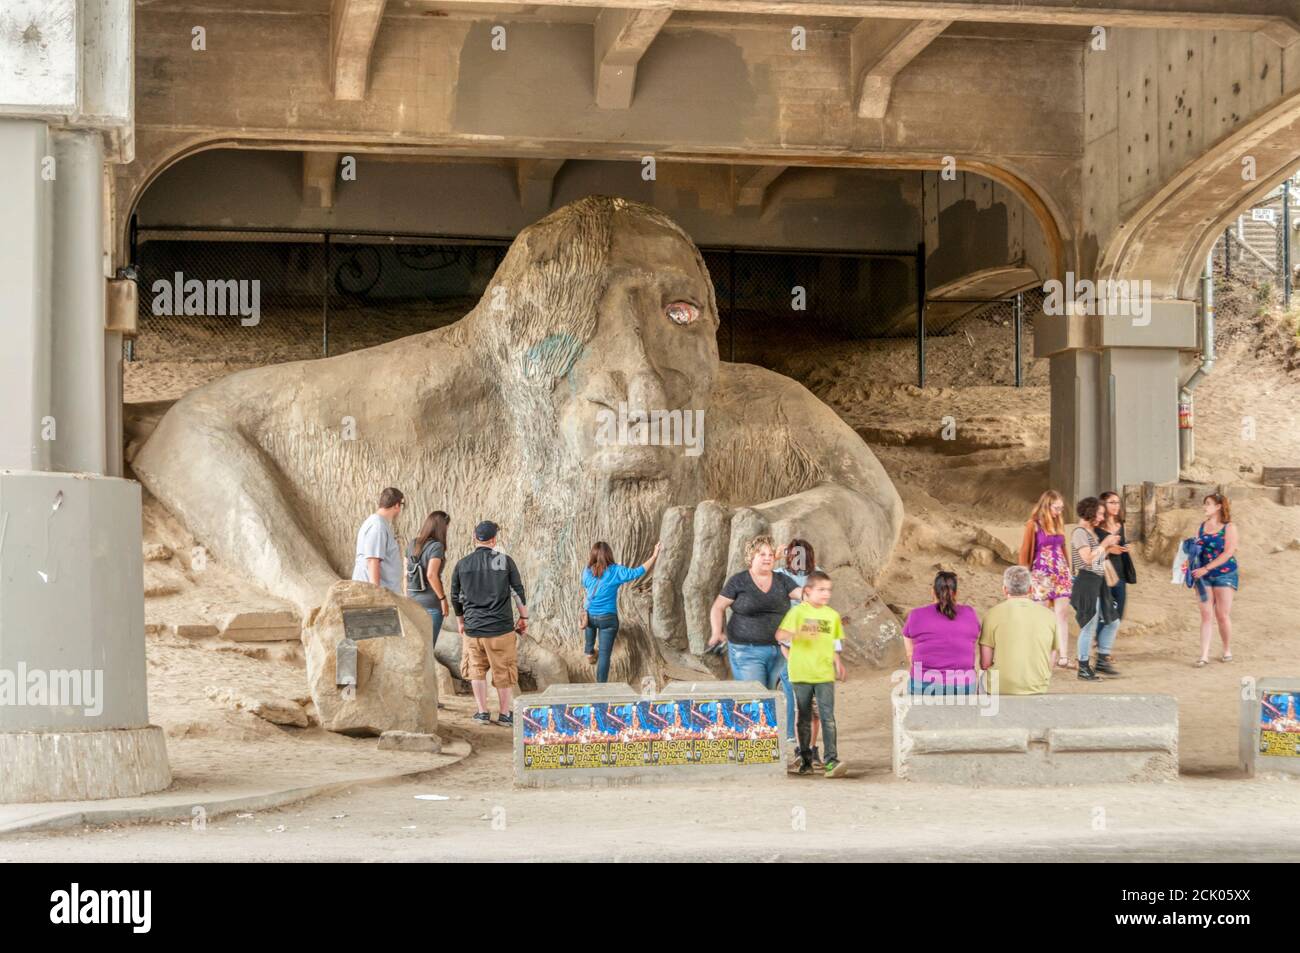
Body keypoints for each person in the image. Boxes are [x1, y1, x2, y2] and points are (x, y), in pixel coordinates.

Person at [708, 535, 803, 742]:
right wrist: (717, 632)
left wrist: (818, 594)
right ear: (752, 557)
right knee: (757, 697)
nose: (767, 558)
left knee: (768, 695)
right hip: (746, 650)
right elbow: (718, 607)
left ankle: (760, 742)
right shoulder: (739, 581)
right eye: (762, 554)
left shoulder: (783, 580)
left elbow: (803, 595)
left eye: (770, 554)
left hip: (778, 650)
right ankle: (755, 745)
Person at [450, 520, 528, 726]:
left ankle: (482, 712)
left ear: (475, 538)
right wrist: (524, 617)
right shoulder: (505, 561)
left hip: (473, 629)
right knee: (504, 670)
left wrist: (460, 621)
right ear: (494, 539)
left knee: (476, 669)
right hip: (500, 629)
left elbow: (455, 597)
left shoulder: (462, 564)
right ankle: (504, 714)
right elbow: (517, 592)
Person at [776, 570, 847, 778]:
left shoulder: (832, 616)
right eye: (821, 589)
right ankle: (805, 760)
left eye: (828, 590)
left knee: (828, 717)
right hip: (801, 673)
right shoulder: (797, 613)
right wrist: (795, 633)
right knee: (804, 717)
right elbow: (780, 636)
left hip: (824, 673)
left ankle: (831, 761)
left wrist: (838, 663)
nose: (826, 594)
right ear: (808, 591)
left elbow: (834, 643)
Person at [581, 540, 661, 683]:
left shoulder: (586, 572)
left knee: (590, 627)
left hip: (591, 617)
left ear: (592, 555)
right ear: (609, 554)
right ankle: (600, 688)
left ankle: (589, 652)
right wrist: (654, 556)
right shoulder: (616, 571)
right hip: (608, 620)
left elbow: (586, 591)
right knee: (605, 656)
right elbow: (638, 572)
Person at [979, 565, 1059, 694]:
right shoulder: (1050, 615)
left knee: (982, 681)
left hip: (998, 687)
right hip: (1037, 686)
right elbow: (1052, 658)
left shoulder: (992, 614)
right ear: (1031, 589)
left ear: (1005, 590)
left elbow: (985, 663)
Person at [776, 537, 820, 761]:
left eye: (798, 554)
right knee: (788, 681)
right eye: (792, 554)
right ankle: (792, 737)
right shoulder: (780, 574)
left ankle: (809, 745)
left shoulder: (816, 574)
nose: (794, 558)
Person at [1018, 490, 1073, 668]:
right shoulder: (1033, 525)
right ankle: (1038, 653)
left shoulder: (1058, 523)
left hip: (1061, 572)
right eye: (1057, 508)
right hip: (1041, 574)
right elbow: (1025, 552)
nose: (1059, 511)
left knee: (1062, 614)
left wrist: (1069, 570)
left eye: (1061, 508)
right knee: (1040, 616)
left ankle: (1063, 655)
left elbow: (1063, 548)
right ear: (1047, 505)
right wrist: (1024, 575)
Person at [1069, 497, 1121, 681]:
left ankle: (1101, 657)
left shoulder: (1090, 533)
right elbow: (1087, 559)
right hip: (1086, 582)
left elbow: (1096, 557)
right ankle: (1083, 667)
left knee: (1112, 620)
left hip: (1098, 582)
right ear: (1089, 512)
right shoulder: (1080, 533)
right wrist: (1105, 544)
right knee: (1088, 626)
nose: (1101, 517)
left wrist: (1108, 547)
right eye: (1098, 513)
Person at [902, 571, 980, 695]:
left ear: (932, 591)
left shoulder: (916, 615)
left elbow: (909, 652)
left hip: (923, 683)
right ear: (955, 593)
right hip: (962, 684)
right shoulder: (969, 613)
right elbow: (971, 643)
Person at [1192, 492, 1239, 666]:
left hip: (1225, 573)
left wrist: (1206, 568)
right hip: (1203, 577)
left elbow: (1228, 552)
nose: (1205, 507)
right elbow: (1196, 550)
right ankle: (1204, 655)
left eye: (1208, 503)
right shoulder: (1201, 526)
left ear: (1218, 506)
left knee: (1222, 614)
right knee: (1205, 614)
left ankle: (1226, 649)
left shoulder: (1229, 527)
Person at [407, 510, 450, 643]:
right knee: (428, 649)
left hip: (412, 602)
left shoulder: (412, 544)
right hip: (431, 604)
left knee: (415, 648)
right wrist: (443, 599)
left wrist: (407, 597)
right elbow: (431, 575)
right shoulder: (437, 547)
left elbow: (405, 574)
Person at [351, 487, 404, 594]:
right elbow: (372, 560)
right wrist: (376, 595)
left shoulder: (377, 523)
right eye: (402, 505)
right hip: (374, 594)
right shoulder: (378, 526)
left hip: (380, 591)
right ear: (397, 505)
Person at [1099, 490, 1136, 620]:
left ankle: (1103, 639)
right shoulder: (1096, 527)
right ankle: (1099, 639)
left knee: (1118, 614)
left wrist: (1126, 547)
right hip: (1103, 574)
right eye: (1112, 502)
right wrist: (1109, 549)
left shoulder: (1120, 525)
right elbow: (1091, 554)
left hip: (1120, 574)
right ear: (1103, 504)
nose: (1116, 506)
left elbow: (1123, 544)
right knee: (1105, 614)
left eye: (1118, 503)